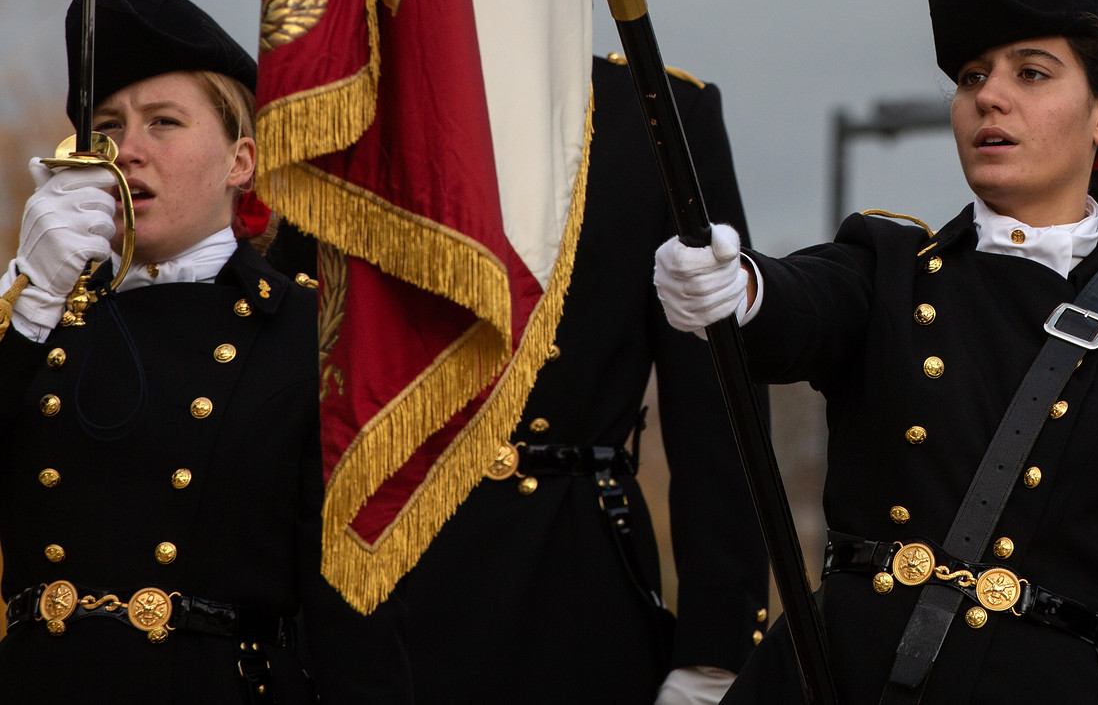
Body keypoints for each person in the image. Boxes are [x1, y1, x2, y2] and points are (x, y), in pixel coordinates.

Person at [653, 0, 1098, 704]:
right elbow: (795, 305)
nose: (989, 97)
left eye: (1031, 73)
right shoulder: (887, 264)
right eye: (973, 76)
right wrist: (735, 285)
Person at [271, 55, 769, 705]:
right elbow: (279, 359)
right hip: (373, 585)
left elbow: (716, 412)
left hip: (571, 585)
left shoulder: (653, 113)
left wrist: (713, 655)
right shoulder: (339, 98)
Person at [0, 0, 323, 702]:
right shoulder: (35, 314)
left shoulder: (301, 332)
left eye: (164, 122)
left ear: (240, 161)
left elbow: (348, 605)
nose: (128, 150)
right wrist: (27, 301)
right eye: (107, 127)